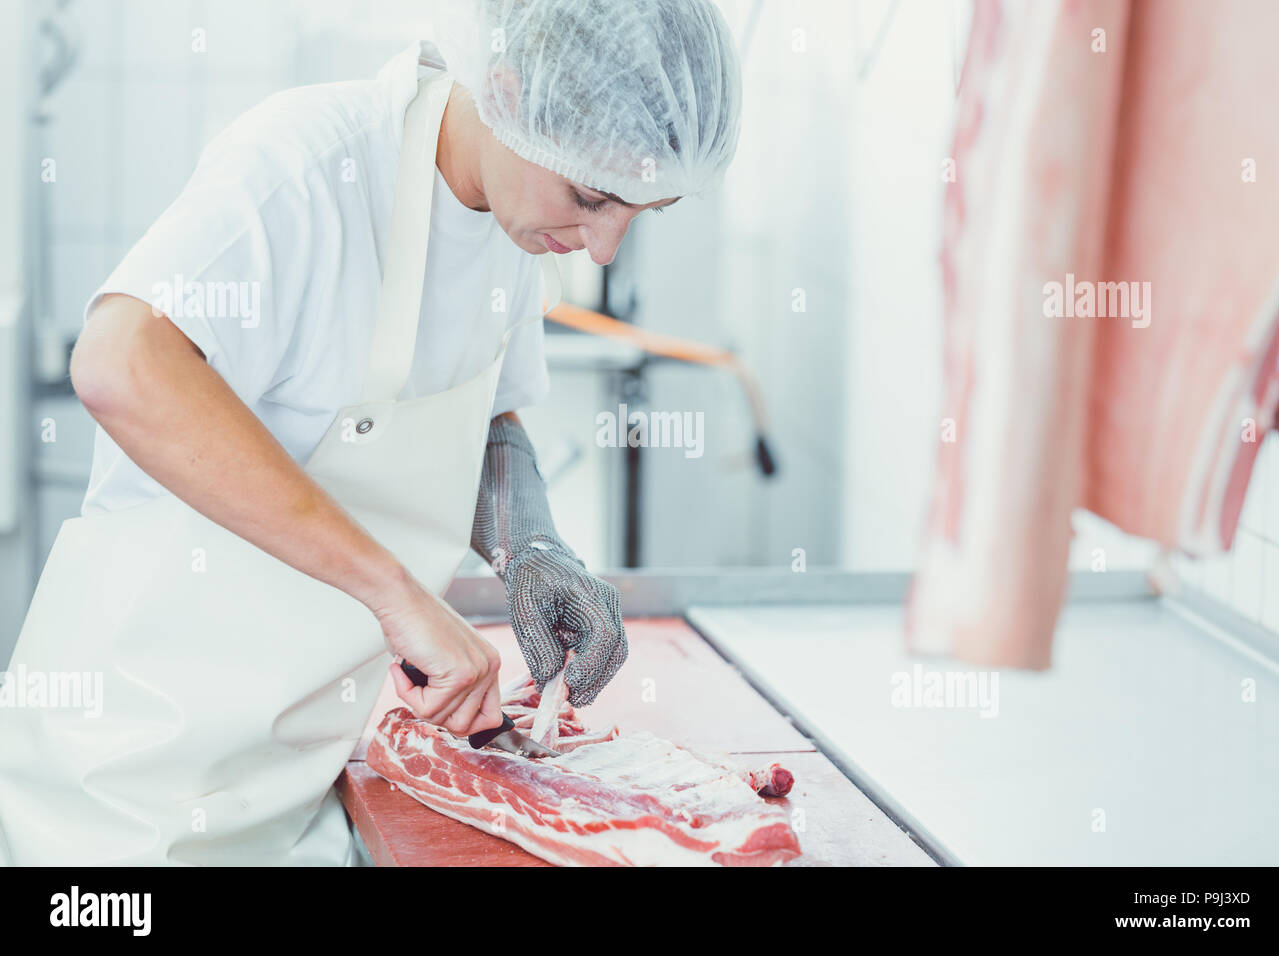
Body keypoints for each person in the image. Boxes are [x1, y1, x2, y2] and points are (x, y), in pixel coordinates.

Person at [0, 0, 742, 865]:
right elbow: (120, 362)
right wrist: (397, 594)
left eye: (642, 211)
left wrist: (531, 542)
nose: (602, 248)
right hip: (131, 787)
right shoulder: (306, 165)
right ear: (505, 94)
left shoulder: (515, 225)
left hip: (303, 785)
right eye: (590, 197)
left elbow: (485, 415)